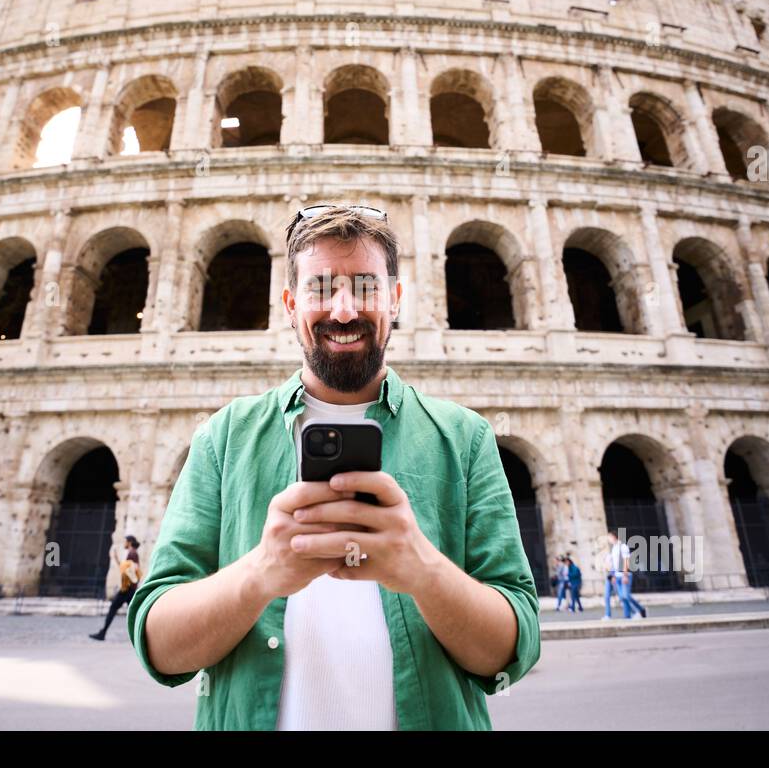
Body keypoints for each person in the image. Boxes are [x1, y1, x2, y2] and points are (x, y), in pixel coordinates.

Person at [126, 205, 540, 730]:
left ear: (394, 298)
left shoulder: (464, 437)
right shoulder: (223, 437)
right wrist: (261, 572)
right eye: (321, 288)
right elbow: (159, 648)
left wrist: (421, 569)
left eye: (365, 286)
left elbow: (512, 650)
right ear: (291, 303)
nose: (343, 311)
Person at [90, 537, 142, 641]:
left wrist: (125, 585)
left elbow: (129, 572)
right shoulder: (133, 553)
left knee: (113, 609)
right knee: (133, 613)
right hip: (130, 589)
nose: (124, 543)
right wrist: (117, 559)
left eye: (126, 541)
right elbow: (127, 569)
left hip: (127, 589)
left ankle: (103, 633)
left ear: (130, 542)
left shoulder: (132, 553)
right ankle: (140, 636)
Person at [608, 531, 647, 620]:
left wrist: (625, 575)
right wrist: (613, 575)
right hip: (617, 575)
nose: (608, 539)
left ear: (614, 537)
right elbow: (614, 564)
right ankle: (630, 614)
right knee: (622, 597)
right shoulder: (614, 548)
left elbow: (626, 561)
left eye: (609, 537)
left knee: (625, 596)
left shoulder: (623, 547)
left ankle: (637, 611)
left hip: (624, 575)